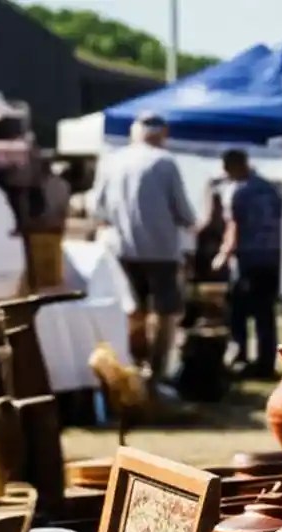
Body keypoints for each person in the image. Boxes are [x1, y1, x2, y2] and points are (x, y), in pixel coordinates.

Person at [89, 112, 196, 385]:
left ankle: (130, 364)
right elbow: (183, 210)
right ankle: (156, 371)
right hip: (160, 248)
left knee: (130, 308)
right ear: (162, 134)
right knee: (165, 312)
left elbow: (96, 206)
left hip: (121, 247)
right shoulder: (164, 162)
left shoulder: (112, 160)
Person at [212, 150, 282, 379]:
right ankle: (266, 362)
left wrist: (222, 255)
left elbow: (234, 228)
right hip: (271, 257)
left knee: (237, 312)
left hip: (247, 259)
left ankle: (240, 355)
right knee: (265, 314)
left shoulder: (237, 192)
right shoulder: (270, 189)